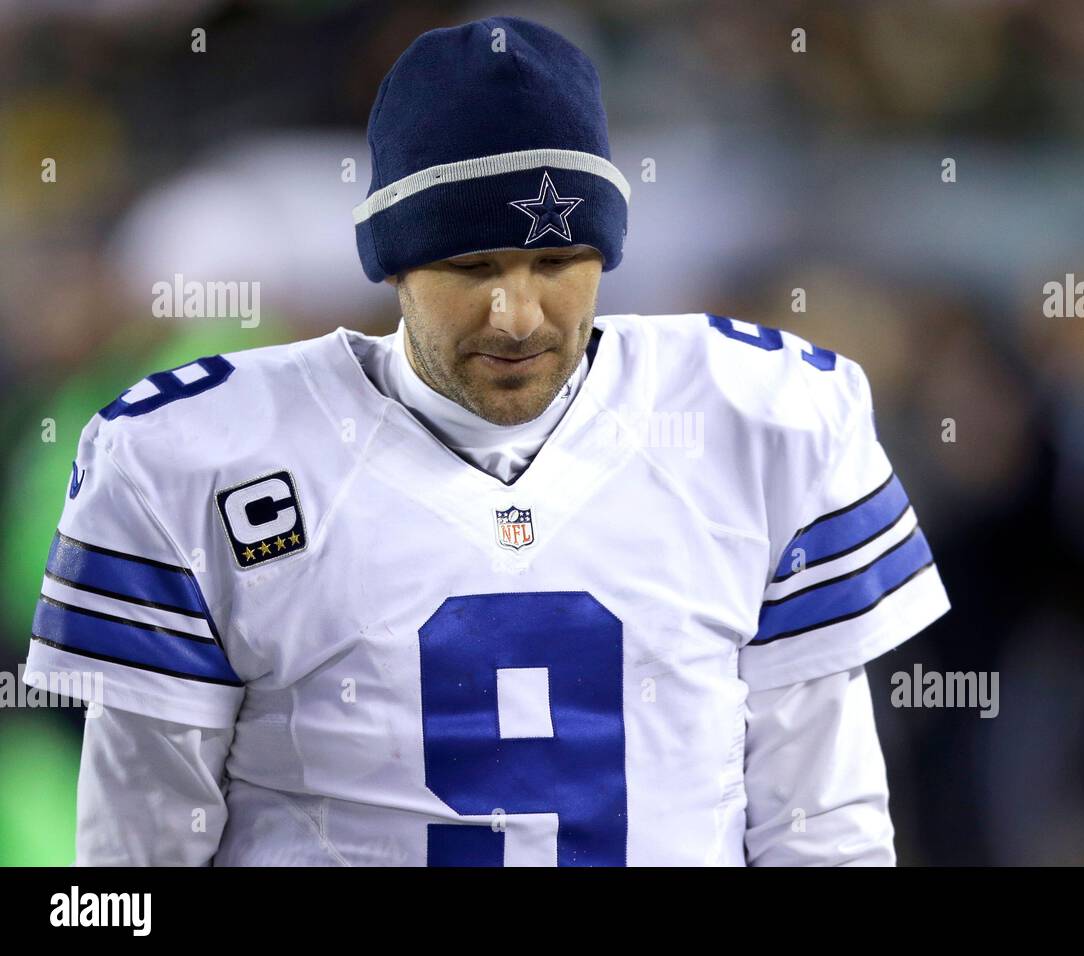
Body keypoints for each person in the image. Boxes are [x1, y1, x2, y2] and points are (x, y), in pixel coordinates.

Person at [23, 16, 949, 866]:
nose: (517, 314)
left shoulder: (763, 424)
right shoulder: (194, 457)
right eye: (471, 266)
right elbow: (140, 852)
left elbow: (822, 824)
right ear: (393, 264)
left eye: (556, 262)